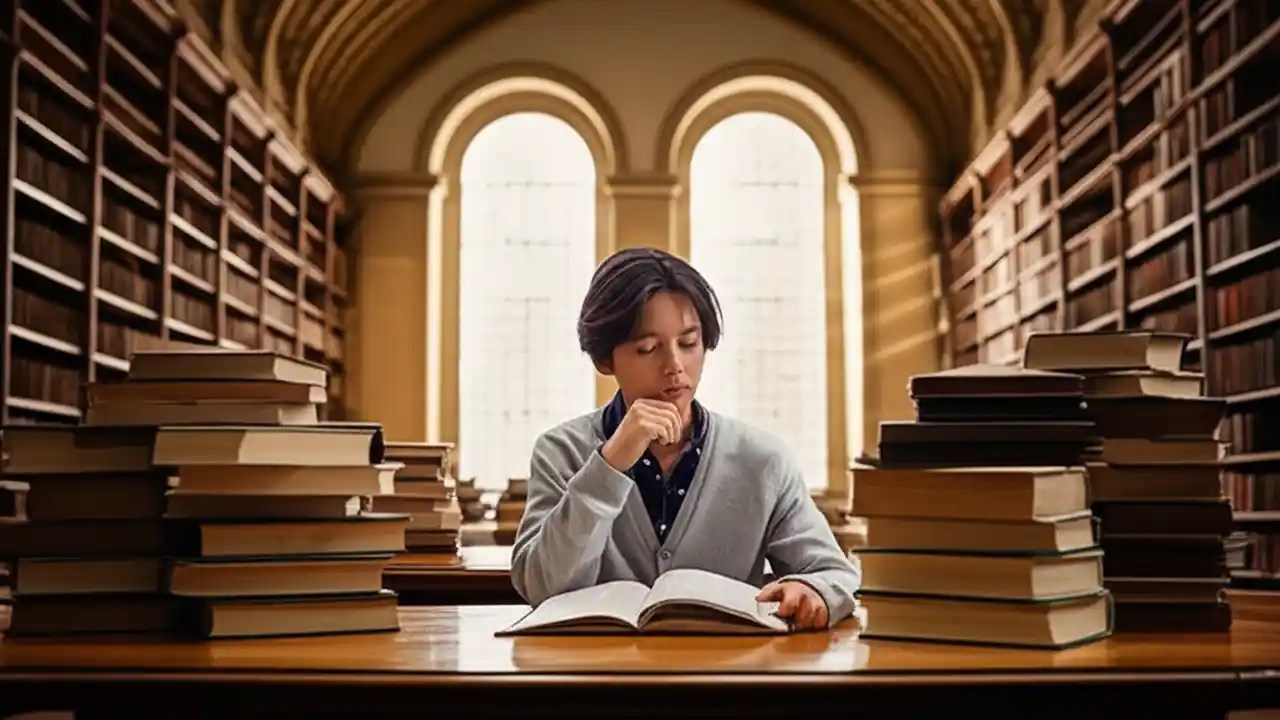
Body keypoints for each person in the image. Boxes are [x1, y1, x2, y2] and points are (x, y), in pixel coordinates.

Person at [510, 247, 860, 630]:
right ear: (604, 360)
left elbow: (833, 573)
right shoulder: (560, 452)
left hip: (725, 677)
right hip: (598, 678)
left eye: (690, 343)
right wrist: (608, 465)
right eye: (647, 348)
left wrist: (812, 590)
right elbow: (541, 587)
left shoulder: (763, 460)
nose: (675, 366)